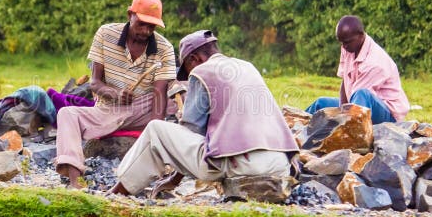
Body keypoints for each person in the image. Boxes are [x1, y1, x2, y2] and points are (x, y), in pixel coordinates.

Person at [109, 30, 298, 200]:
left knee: (155, 130)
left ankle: (116, 193)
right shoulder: (247, 67)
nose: (189, 75)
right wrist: (176, 179)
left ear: (194, 59)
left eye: (187, 68)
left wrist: (174, 179)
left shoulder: (202, 71)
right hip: (280, 163)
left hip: (243, 163)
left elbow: (191, 131)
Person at [55, 0, 176, 189]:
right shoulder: (105, 34)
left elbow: (159, 97)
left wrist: (153, 137)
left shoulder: (164, 48)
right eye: (142, 24)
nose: (146, 31)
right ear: (130, 15)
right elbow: (94, 83)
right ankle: (75, 180)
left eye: (151, 27)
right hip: (108, 110)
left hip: (143, 109)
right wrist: (115, 95)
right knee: (66, 113)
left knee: (176, 96)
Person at [306, 15, 409, 124]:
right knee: (321, 104)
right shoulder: (349, 47)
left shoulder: (375, 62)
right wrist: (341, 109)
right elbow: (345, 82)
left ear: (361, 35)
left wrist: (340, 119)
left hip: (387, 113)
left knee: (362, 94)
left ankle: (350, 134)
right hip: (357, 103)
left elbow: (358, 104)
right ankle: (293, 129)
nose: (343, 46)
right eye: (341, 42)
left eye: (347, 42)